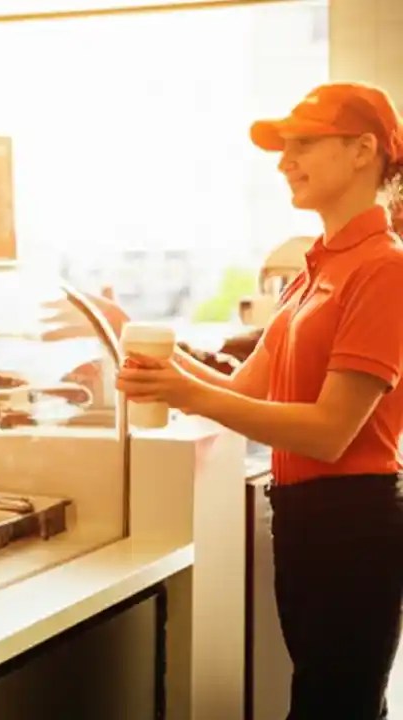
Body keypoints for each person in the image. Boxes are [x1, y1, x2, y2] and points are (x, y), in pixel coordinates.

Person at [118, 82, 403, 719]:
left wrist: (184, 389)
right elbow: (245, 390)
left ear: (363, 151)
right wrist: (154, 358)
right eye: (283, 147)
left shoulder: (384, 268)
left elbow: (331, 431)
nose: (284, 161)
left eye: (303, 144)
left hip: (353, 525)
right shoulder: (315, 269)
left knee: (337, 708)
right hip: (304, 520)